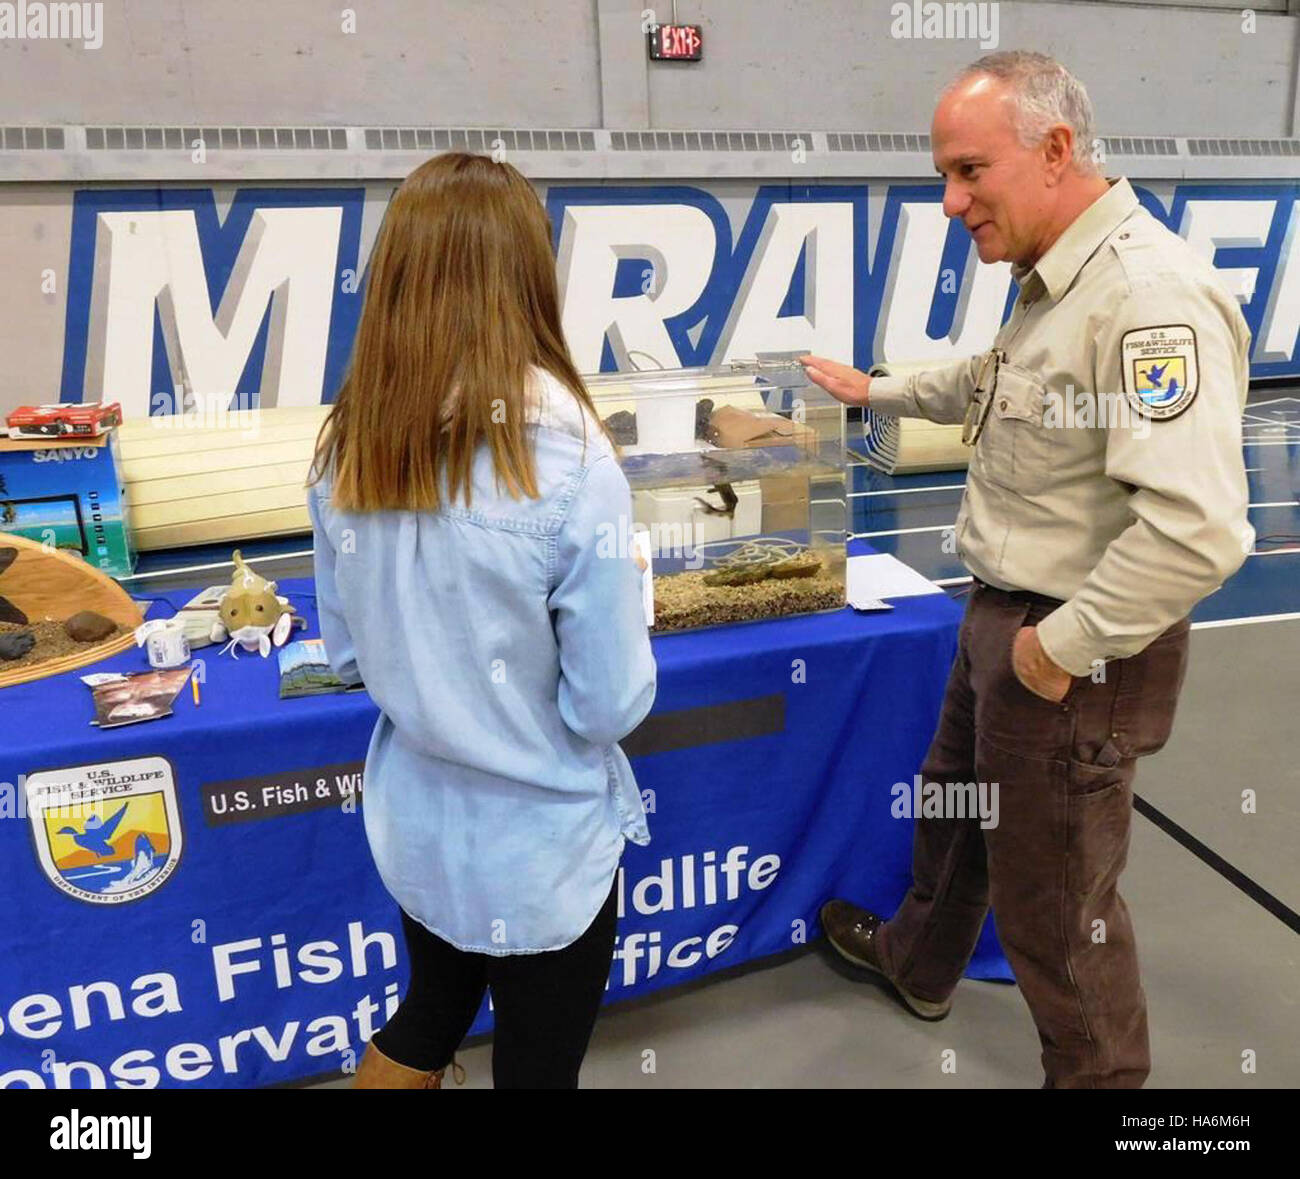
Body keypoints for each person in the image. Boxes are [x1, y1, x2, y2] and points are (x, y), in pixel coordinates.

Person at [802, 51, 1252, 1088]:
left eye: (969, 172)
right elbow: (990, 382)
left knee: (1055, 914)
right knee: (954, 814)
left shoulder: (1149, 298)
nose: (952, 203)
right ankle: (920, 963)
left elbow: (1196, 531)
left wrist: (1057, 651)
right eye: (943, 180)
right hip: (1004, 619)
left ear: (1054, 150)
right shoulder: (1057, 276)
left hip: (1070, 654)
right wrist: (873, 387)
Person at [306, 152, 656, 1089]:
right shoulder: (577, 463)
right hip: (540, 849)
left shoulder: (349, 447)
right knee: (538, 1068)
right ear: (528, 275)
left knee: (431, 1010)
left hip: (424, 828)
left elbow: (342, 654)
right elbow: (610, 703)